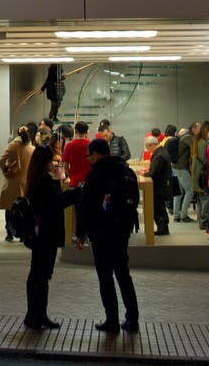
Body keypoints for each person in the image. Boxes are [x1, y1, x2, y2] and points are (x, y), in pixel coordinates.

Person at [76, 138, 139, 334]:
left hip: (101, 232)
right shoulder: (126, 170)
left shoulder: (95, 174)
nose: (88, 158)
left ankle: (112, 320)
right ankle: (132, 319)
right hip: (121, 231)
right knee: (123, 273)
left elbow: (85, 206)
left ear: (96, 154)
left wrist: (81, 233)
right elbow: (135, 199)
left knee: (105, 276)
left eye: (89, 155)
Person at [24, 144, 79, 330]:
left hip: (38, 232)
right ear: (45, 162)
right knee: (43, 275)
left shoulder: (33, 178)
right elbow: (57, 204)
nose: (55, 164)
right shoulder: (45, 181)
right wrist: (77, 193)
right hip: (47, 232)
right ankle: (39, 316)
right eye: (53, 161)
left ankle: (33, 315)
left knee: (36, 273)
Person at [0, 123, 35, 241]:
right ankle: (22, 233)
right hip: (26, 182)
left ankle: (9, 232)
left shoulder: (13, 145)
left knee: (9, 208)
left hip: (12, 180)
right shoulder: (32, 148)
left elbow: (1, 161)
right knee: (24, 208)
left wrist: (6, 170)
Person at [143, 135, 171, 235]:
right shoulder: (161, 152)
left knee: (158, 208)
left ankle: (162, 229)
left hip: (159, 186)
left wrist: (145, 173)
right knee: (160, 207)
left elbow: (155, 173)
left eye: (147, 147)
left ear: (152, 145)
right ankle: (163, 228)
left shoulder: (159, 155)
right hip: (162, 185)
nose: (147, 150)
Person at [172, 125, 193, 223]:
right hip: (182, 168)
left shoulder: (178, 140)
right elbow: (194, 151)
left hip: (175, 167)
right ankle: (184, 215)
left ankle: (176, 215)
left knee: (178, 193)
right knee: (190, 190)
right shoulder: (188, 137)